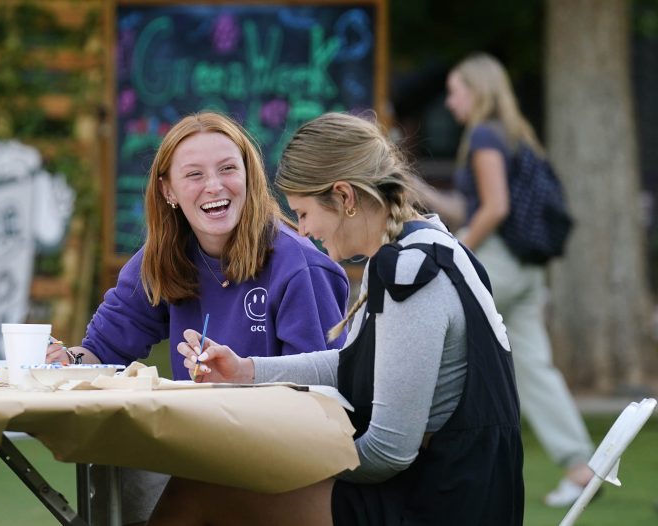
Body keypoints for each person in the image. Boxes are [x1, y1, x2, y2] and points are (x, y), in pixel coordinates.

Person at [150, 112, 524, 526]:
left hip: (444, 504)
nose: (303, 232)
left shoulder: (409, 272)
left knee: (201, 489)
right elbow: (352, 364)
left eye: (304, 213)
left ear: (345, 198)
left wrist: (274, 460)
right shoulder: (418, 246)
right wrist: (244, 370)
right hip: (450, 491)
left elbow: (387, 452)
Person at [46, 111, 350, 524]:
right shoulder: (160, 259)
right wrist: (67, 362)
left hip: (284, 467)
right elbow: (103, 350)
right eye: (194, 175)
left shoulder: (300, 266)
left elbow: (322, 395)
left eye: (228, 169)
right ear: (168, 190)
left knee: (181, 481)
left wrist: (243, 377)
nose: (214, 186)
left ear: (250, 177)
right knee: (118, 465)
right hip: (201, 449)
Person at [420, 52, 595, 507]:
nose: (450, 99)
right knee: (535, 367)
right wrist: (417, 189)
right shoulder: (515, 134)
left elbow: (494, 209)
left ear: (477, 91)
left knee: (431, 337)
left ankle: (421, 453)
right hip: (526, 265)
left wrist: (454, 252)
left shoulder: (482, 134)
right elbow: (474, 209)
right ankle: (582, 468)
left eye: (456, 90)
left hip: (497, 260)